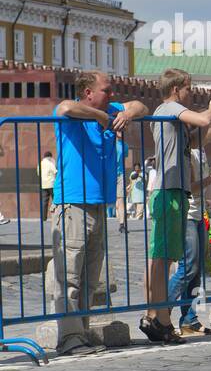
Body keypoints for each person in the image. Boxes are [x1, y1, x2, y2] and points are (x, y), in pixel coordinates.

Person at [43, 71, 147, 355]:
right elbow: (64, 107)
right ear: (88, 93)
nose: (111, 95)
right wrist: (101, 118)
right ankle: (68, 338)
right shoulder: (73, 113)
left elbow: (141, 106)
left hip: (99, 203)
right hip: (73, 203)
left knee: (90, 276)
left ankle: (81, 334)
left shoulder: (112, 109)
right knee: (70, 276)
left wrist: (125, 114)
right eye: (106, 90)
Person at [141, 69, 211, 345]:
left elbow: (197, 137)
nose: (192, 92)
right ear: (177, 88)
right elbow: (202, 119)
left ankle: (156, 316)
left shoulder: (167, 113)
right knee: (163, 258)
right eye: (189, 87)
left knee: (162, 257)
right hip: (169, 192)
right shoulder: (171, 107)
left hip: (172, 190)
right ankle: (160, 320)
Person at [168, 133, 211, 338]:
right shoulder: (188, 152)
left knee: (198, 270)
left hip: (200, 213)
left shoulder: (202, 152)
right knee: (188, 266)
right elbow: (191, 186)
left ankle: (191, 319)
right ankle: (161, 311)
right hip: (188, 214)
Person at [38, 151, 57, 220]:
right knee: (55, 200)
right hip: (51, 184)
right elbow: (55, 171)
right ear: (50, 156)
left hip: (43, 185)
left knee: (44, 201)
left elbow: (38, 173)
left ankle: (43, 217)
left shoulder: (41, 163)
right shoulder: (50, 163)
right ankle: (56, 215)